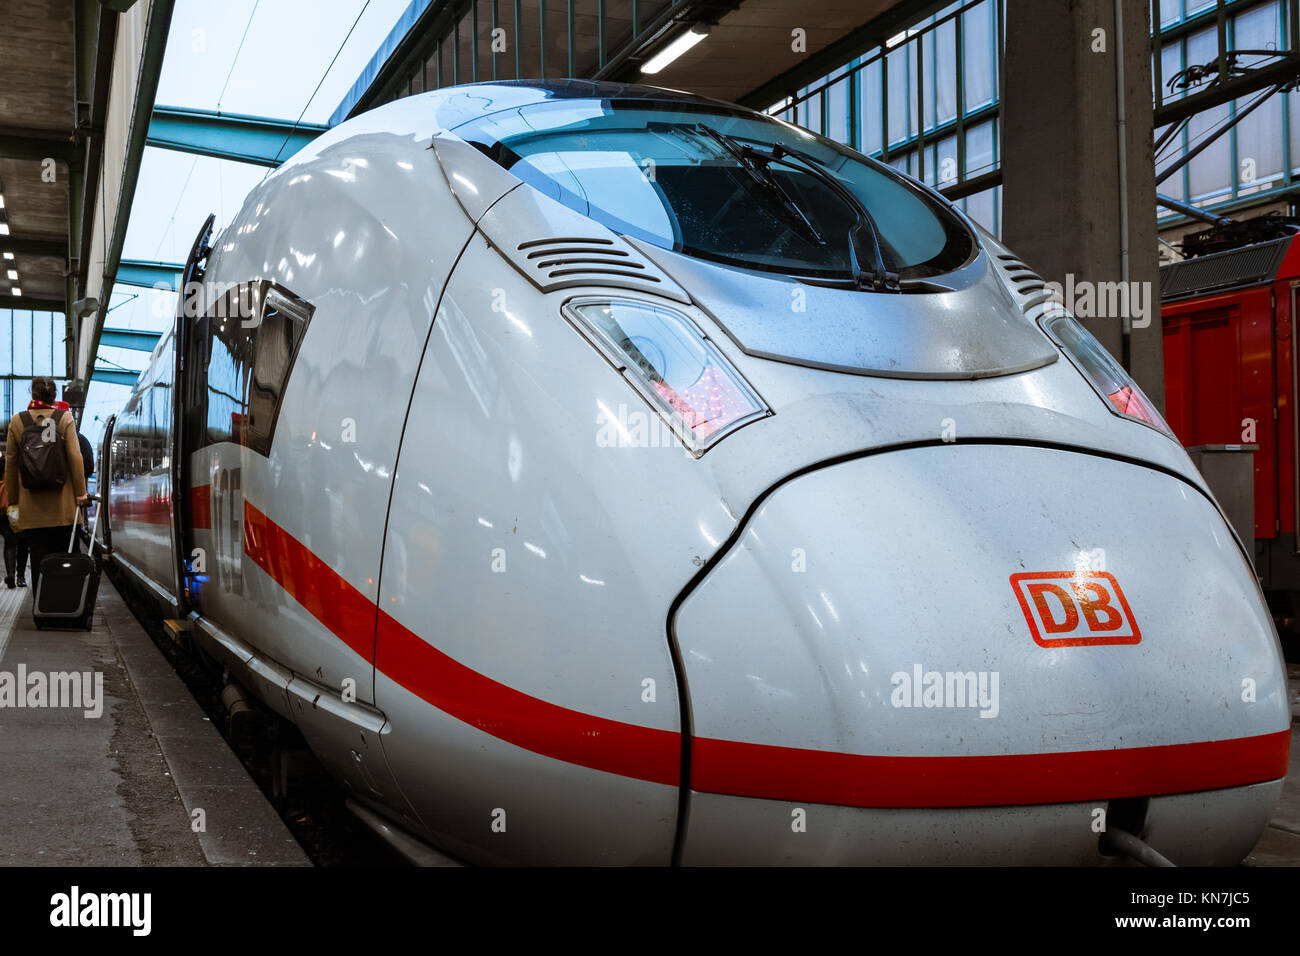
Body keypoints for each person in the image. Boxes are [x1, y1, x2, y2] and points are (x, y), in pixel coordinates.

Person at [4, 377, 88, 595]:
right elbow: (75, 457)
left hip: (32, 508)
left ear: (33, 394)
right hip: (63, 509)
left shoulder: (18, 421)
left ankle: (40, 607)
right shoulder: (64, 418)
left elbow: (11, 465)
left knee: (39, 557)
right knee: (66, 557)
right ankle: (67, 606)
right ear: (54, 397)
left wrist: (13, 500)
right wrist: (81, 493)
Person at [0, 446, 29, 588]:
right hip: (22, 506)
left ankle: (11, 574)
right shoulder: (28, 461)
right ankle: (21, 577)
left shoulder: (3, 461)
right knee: (23, 542)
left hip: (4, 508)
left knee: (10, 541)